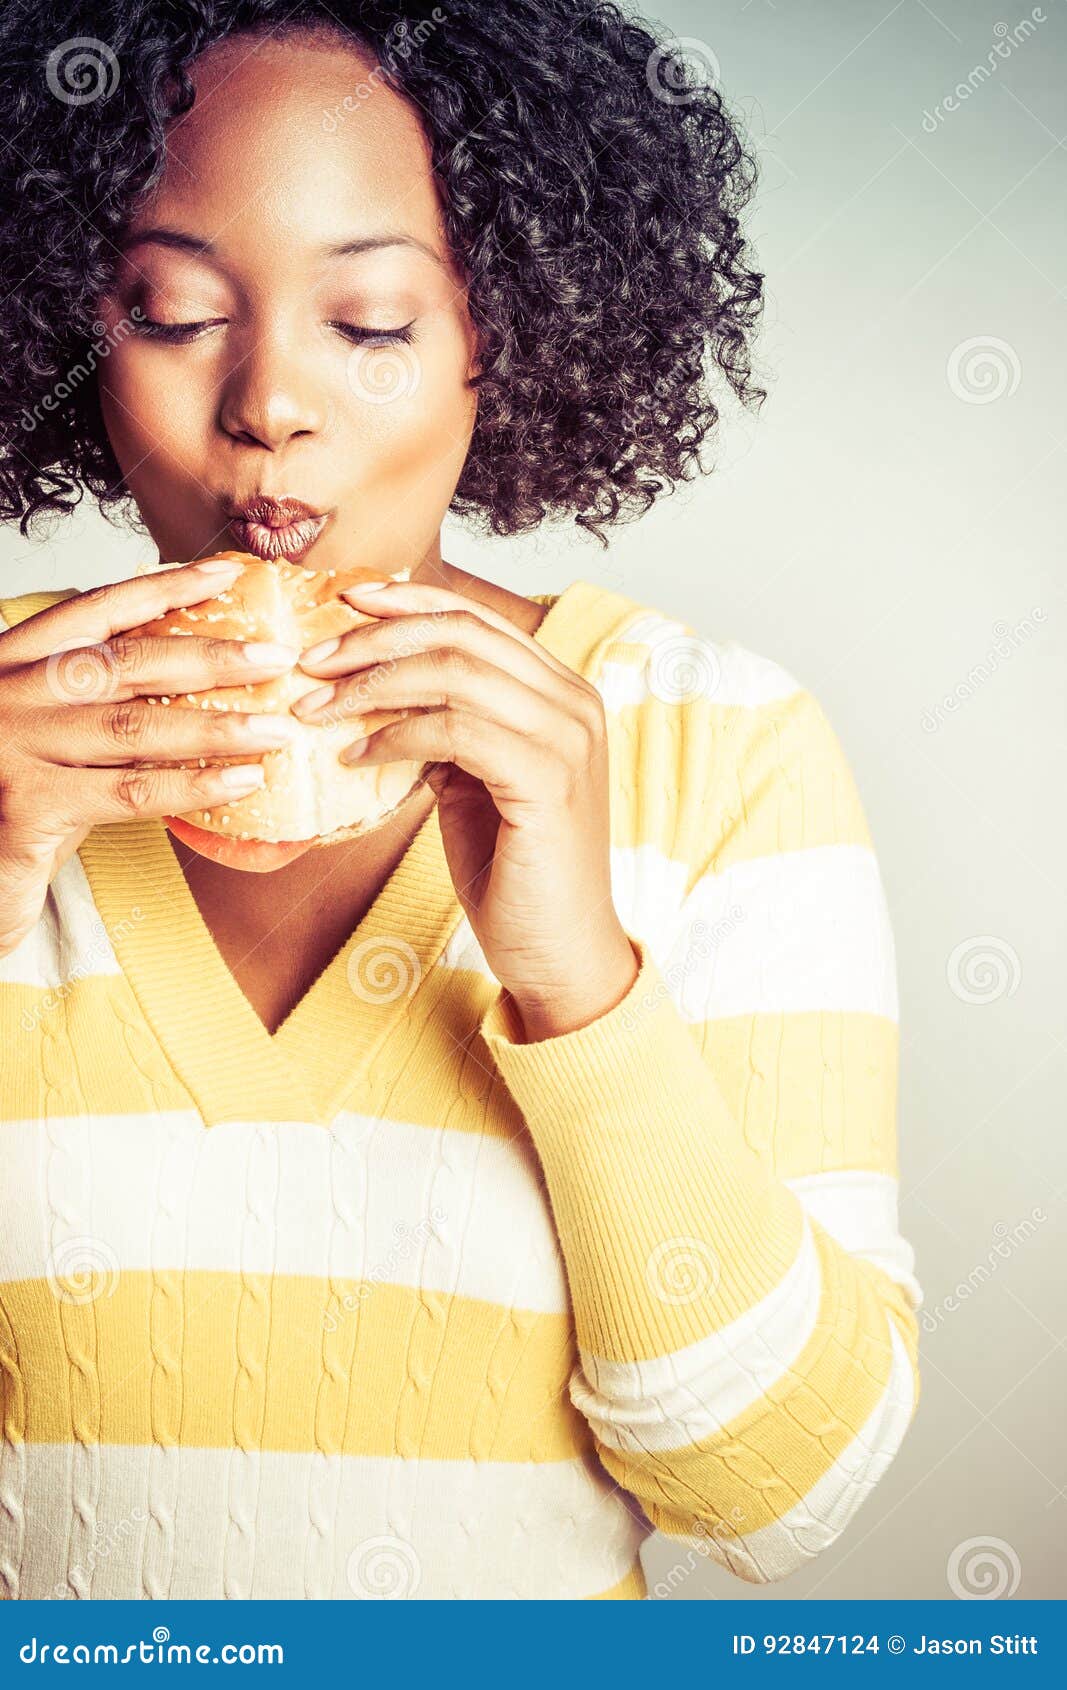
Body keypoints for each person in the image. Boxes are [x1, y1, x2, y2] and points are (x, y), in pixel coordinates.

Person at [0, 1, 921, 1600]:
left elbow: (781, 1495)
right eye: (170, 311)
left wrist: (582, 983)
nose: (269, 404)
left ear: (501, 328)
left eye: (366, 322)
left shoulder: (723, 745)